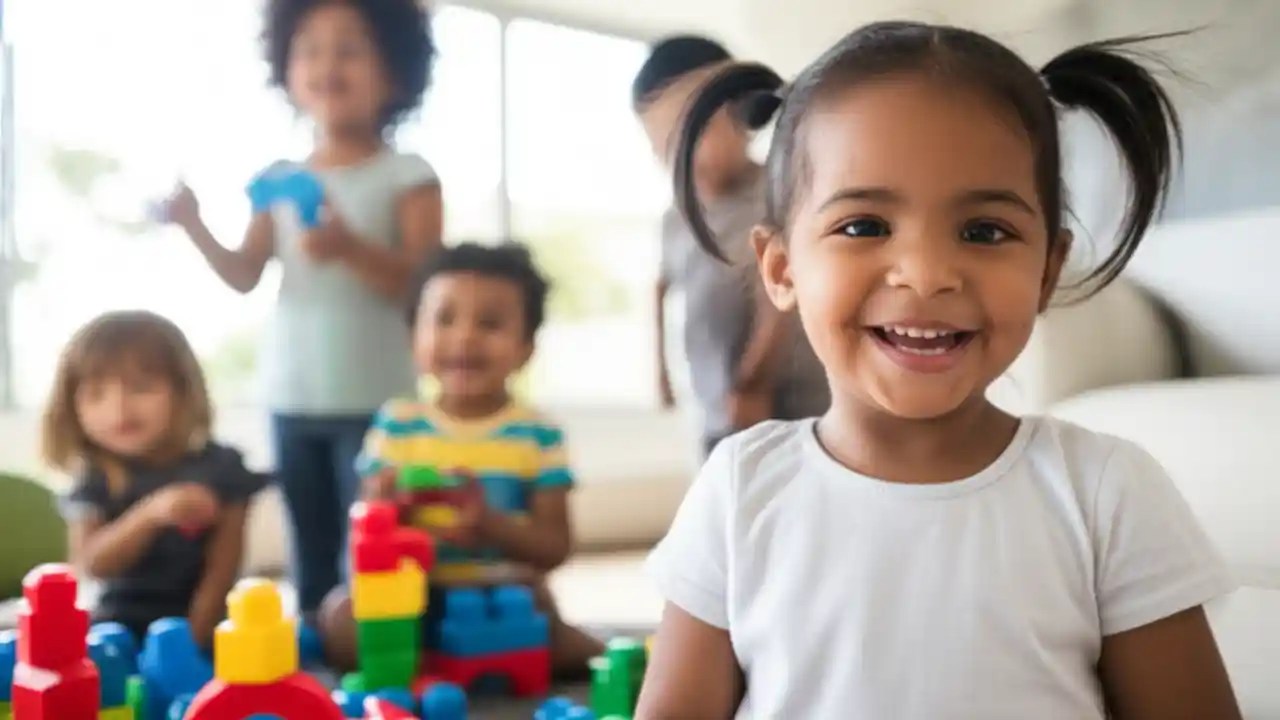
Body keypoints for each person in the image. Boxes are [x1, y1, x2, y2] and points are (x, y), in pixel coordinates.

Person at [639, 22, 1242, 719]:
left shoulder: (1105, 493)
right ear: (781, 268)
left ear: (1046, 271)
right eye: (863, 225)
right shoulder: (739, 489)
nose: (926, 275)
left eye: (985, 231)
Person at [161, 0, 443, 619]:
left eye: (350, 48)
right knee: (309, 550)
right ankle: (317, 665)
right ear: (285, 69)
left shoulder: (408, 173)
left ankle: (376, 651)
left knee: (373, 547)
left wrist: (350, 249)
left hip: (379, 401)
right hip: (291, 392)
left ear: (395, 72)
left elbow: (428, 291)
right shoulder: (278, 177)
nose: (326, 64)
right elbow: (243, 274)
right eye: (309, 49)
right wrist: (194, 224)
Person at [317, 242, 604, 677]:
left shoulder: (537, 433)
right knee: (338, 618)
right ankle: (436, 659)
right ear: (415, 338)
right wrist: (385, 508)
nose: (465, 336)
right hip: (413, 594)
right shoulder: (397, 424)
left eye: (490, 323)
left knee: (576, 647)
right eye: (444, 319)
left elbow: (554, 547)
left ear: (526, 347)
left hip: (503, 594)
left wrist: (488, 523)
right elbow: (363, 539)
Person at [633, 35, 829, 458]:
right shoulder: (676, 217)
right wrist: (660, 373)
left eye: (695, 135)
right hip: (716, 403)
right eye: (664, 148)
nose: (683, 160)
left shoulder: (775, 193)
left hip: (790, 399)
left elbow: (776, 295)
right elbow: (660, 286)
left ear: (740, 115)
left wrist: (753, 381)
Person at [44, 311, 264, 647]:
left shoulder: (222, 467)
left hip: (205, 624)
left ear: (181, 390)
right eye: (96, 394)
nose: (119, 408)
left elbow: (222, 570)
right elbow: (93, 564)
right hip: (118, 624)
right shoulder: (94, 476)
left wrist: (193, 640)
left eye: (141, 388)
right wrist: (150, 515)